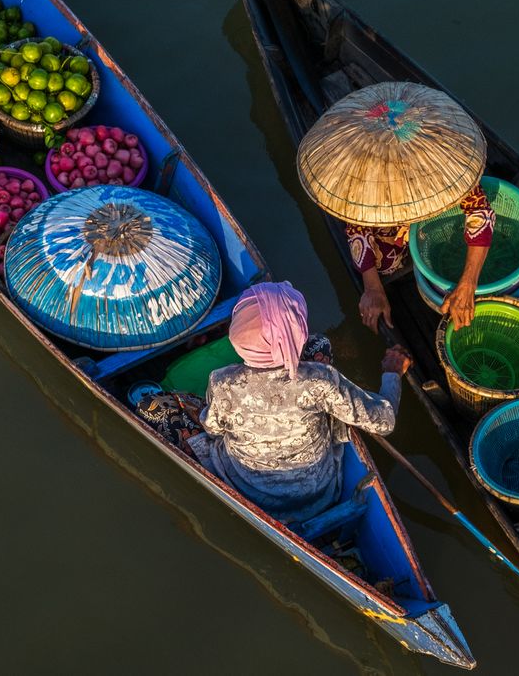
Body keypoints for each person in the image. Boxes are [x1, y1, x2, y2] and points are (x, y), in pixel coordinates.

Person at [194, 281, 413, 524]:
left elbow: (212, 429)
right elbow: (385, 421)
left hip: (249, 493)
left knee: (164, 409)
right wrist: (392, 373)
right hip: (318, 494)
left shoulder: (222, 382)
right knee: (320, 345)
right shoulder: (319, 379)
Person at [347, 181, 495, 333]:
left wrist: (468, 284)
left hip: (433, 201)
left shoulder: (443, 166)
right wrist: (372, 288)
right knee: (385, 264)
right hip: (387, 214)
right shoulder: (365, 181)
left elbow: (479, 209)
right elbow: (356, 226)